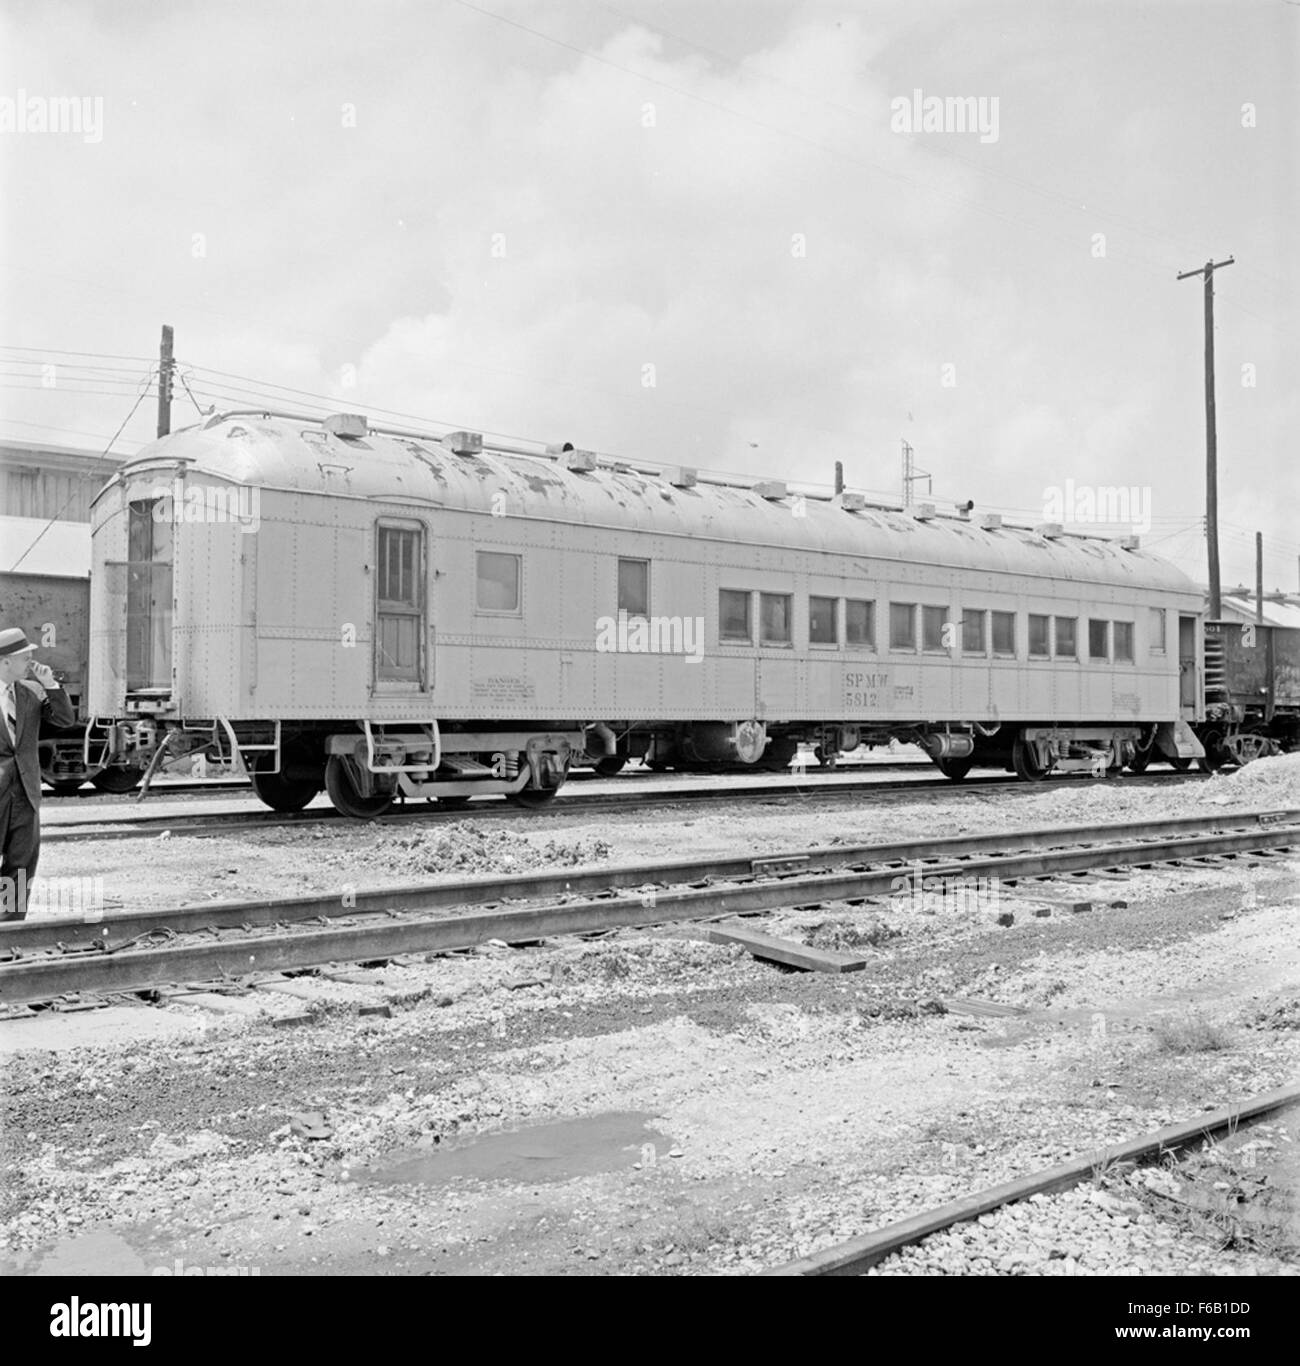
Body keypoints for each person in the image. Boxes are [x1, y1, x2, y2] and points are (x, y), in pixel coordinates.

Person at [0, 628, 76, 920]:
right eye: (25, 658)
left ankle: (8, 928)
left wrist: (50, 684)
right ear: (6, 661)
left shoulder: (30, 692)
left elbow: (64, 719)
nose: (31, 662)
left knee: (20, 865)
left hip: (25, 794)